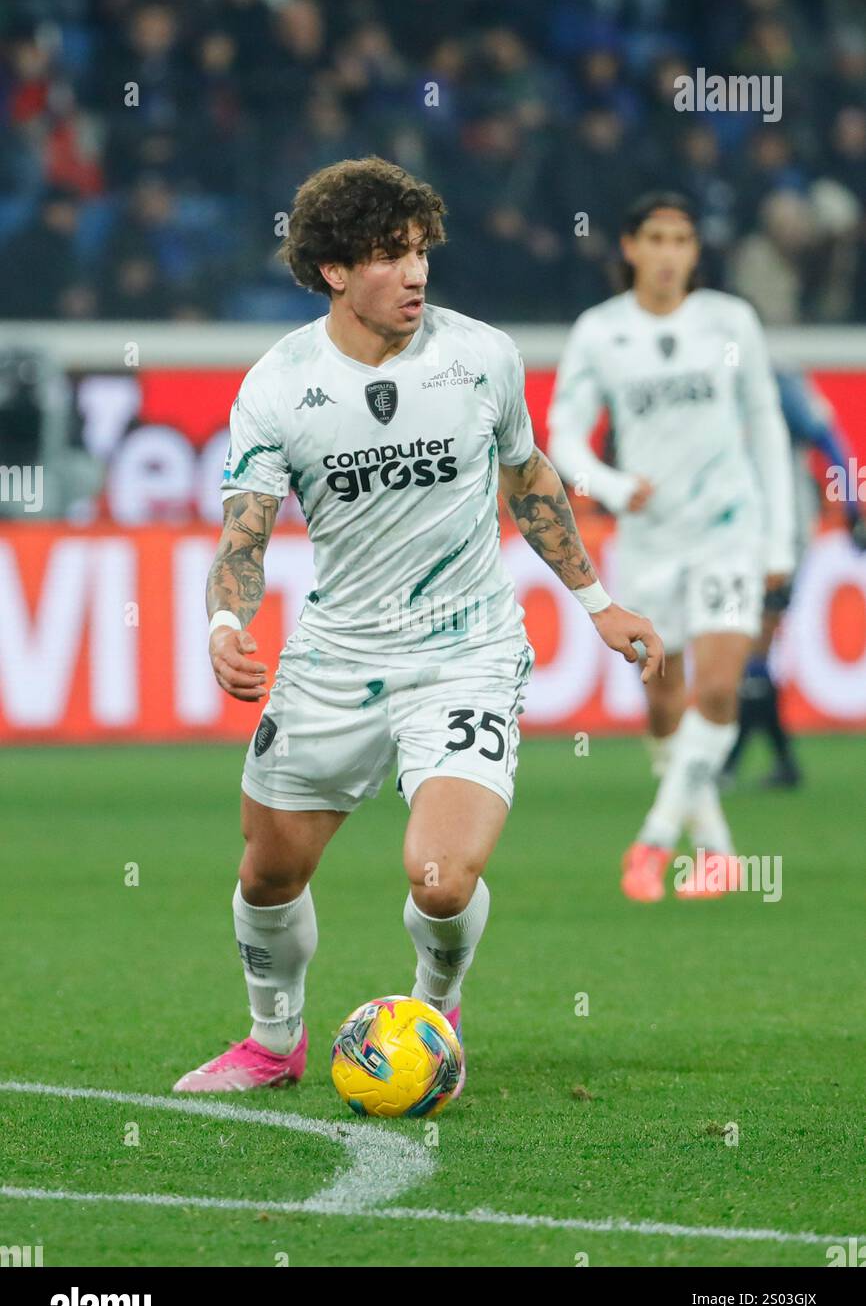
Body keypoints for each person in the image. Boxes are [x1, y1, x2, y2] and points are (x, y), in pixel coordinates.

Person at [174, 156, 663, 1093]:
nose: (415, 273)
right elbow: (246, 533)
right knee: (268, 877)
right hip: (335, 658)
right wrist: (224, 627)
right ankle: (273, 1045)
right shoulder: (278, 386)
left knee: (440, 877)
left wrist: (598, 603)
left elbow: (530, 480)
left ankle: (436, 1009)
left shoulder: (481, 356)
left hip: (465, 654)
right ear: (333, 271)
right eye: (390, 256)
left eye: (420, 251)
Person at [548, 191, 795, 902]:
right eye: (654, 238)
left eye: (680, 240)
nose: (667, 253)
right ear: (629, 248)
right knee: (665, 702)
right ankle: (715, 849)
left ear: (694, 251)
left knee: (719, 688)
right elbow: (563, 434)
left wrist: (777, 535)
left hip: (728, 529)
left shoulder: (729, 320)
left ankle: (654, 840)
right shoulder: (600, 332)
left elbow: (766, 426)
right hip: (651, 539)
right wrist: (613, 486)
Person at [722, 369, 866, 789]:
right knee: (750, 651)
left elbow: (828, 438)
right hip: (734, 536)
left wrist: (853, 507)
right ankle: (780, 762)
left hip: (779, 538)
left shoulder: (775, 381)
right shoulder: (709, 378)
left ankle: (730, 763)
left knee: (753, 643)